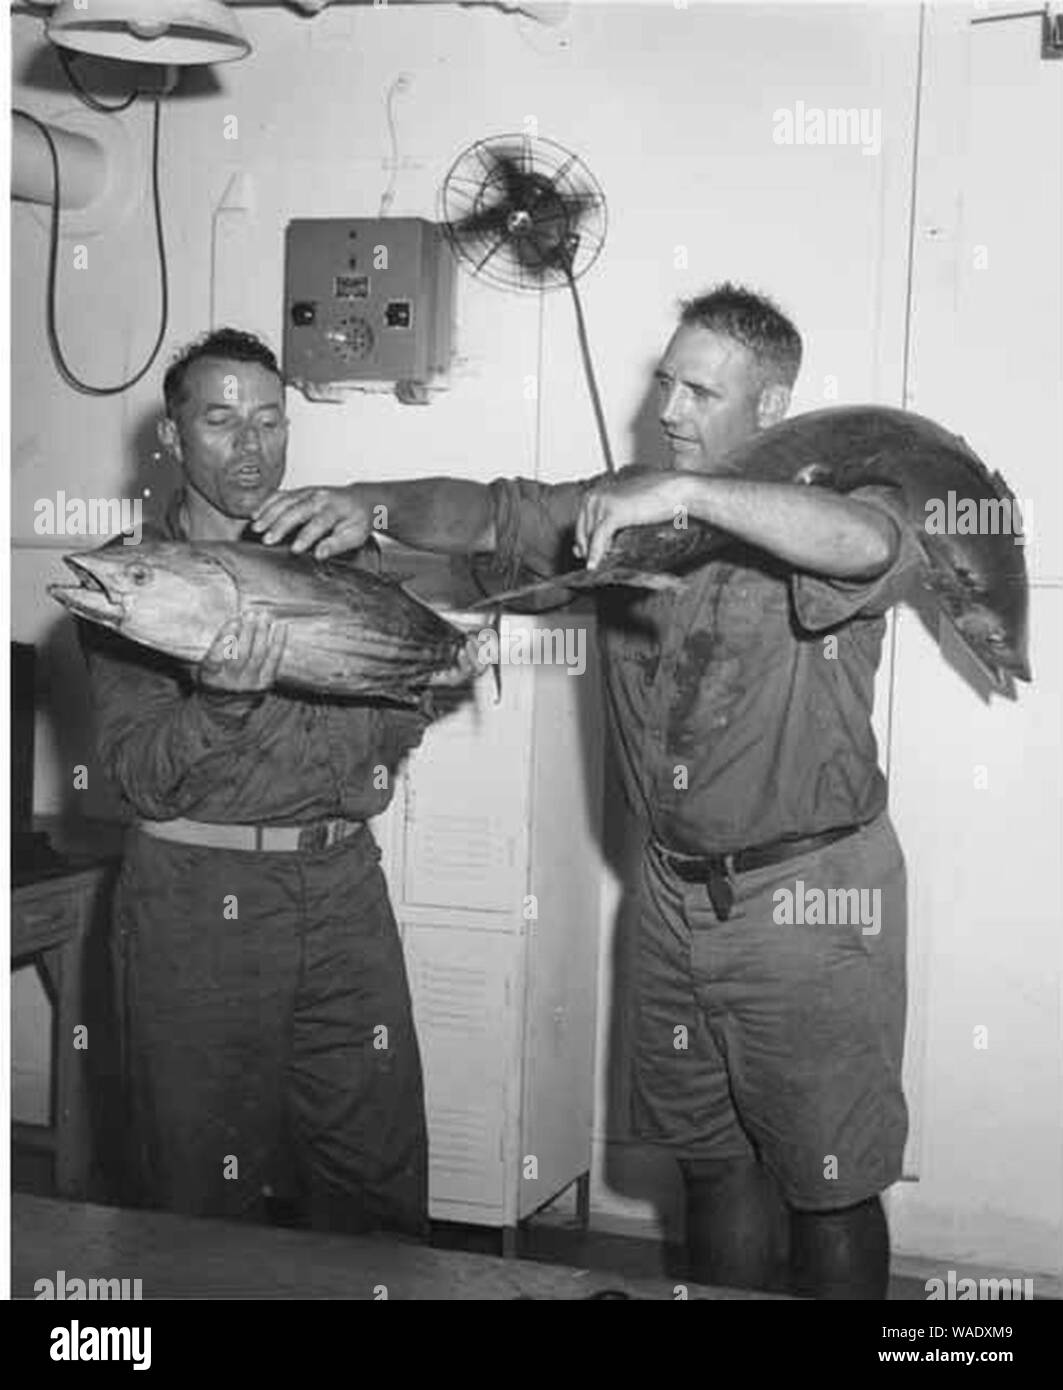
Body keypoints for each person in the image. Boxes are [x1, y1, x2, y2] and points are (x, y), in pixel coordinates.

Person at [251, 284, 921, 1299]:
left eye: (702, 391)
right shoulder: (628, 502)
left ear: (771, 404)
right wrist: (369, 503)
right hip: (670, 894)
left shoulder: (831, 503)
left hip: (809, 898)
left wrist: (688, 495)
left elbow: (868, 545)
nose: (671, 409)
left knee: (828, 1181)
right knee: (711, 1160)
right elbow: (488, 510)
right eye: (667, 383)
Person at [81, 327, 444, 1238]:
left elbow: (382, 737)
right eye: (221, 420)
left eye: (271, 420)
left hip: (342, 889)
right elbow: (132, 778)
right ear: (171, 436)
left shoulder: (337, 554)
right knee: (199, 1192)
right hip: (198, 903)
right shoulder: (135, 581)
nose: (252, 446)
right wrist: (217, 704)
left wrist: (424, 691)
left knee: (378, 1182)